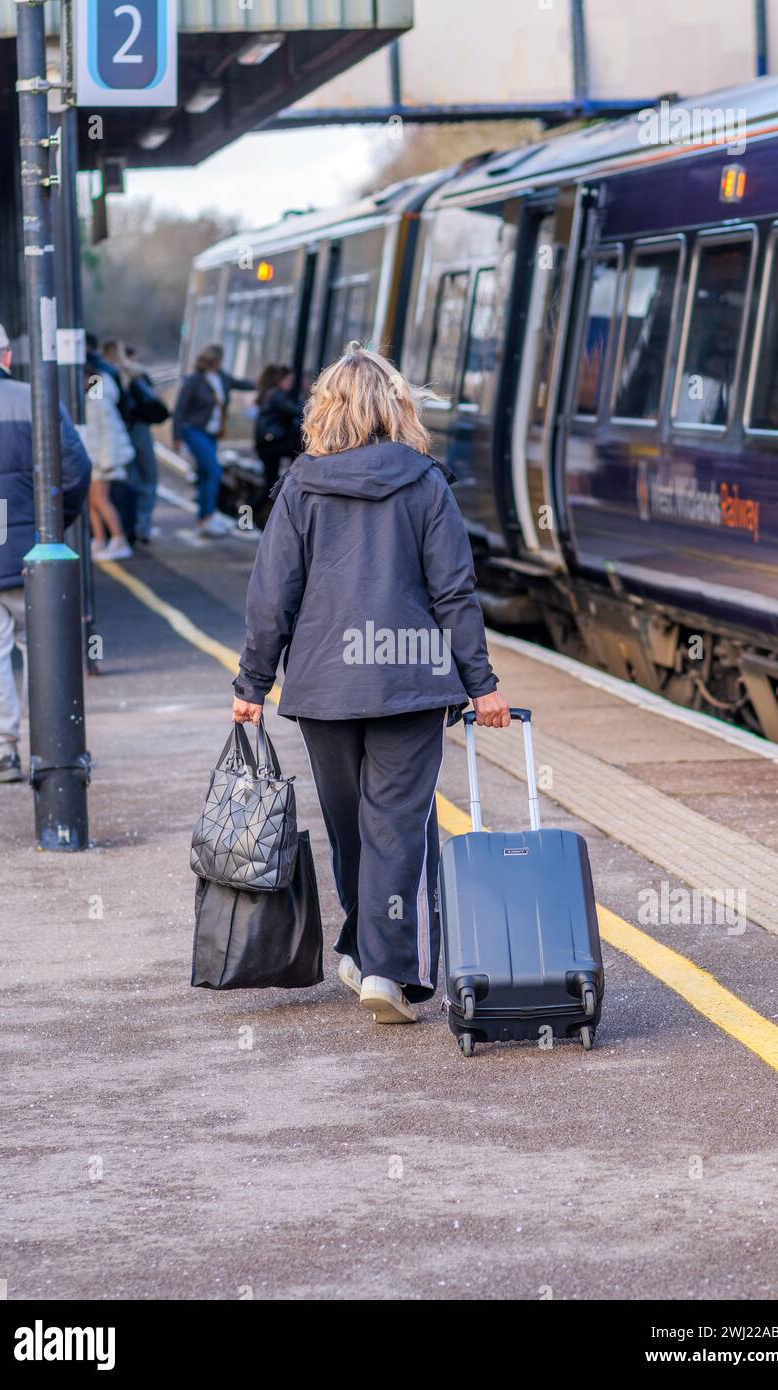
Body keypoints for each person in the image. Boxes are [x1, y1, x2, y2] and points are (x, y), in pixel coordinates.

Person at [232, 344, 510, 1025]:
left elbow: (274, 595)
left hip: (325, 687)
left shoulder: (300, 487)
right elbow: (454, 592)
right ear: (397, 407)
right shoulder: (425, 483)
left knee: (350, 827)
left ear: (326, 410)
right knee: (397, 826)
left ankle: (365, 952)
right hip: (408, 682)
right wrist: (483, 685)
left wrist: (252, 681)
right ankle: (386, 966)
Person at [0, 318, 91, 782]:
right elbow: (76, 470)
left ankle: (4, 752)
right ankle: (50, 749)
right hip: (32, 556)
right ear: (6, 358)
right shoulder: (31, 400)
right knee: (43, 650)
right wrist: (53, 530)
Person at [172, 344, 254, 538]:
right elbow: (180, 410)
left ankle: (203, 519)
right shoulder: (194, 381)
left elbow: (242, 384)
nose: (221, 363)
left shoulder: (221, 378)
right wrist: (176, 437)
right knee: (214, 471)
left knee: (204, 474)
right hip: (193, 430)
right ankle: (207, 518)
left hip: (211, 434)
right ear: (213, 360)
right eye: (219, 359)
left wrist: (266, 383)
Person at [106, 341, 168, 544]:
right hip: (140, 429)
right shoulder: (137, 374)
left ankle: (127, 527)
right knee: (149, 477)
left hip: (118, 431)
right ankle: (144, 526)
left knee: (128, 479)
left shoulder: (102, 374)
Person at [84, 341, 134, 562]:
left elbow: (110, 434)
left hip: (103, 461)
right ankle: (100, 540)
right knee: (94, 501)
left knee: (101, 500)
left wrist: (107, 461)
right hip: (96, 460)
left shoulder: (99, 403)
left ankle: (118, 539)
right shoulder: (94, 400)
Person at [255, 364, 304, 494]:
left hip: (267, 445)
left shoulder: (272, 393)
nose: (291, 385)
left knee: (269, 488)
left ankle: (247, 512)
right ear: (280, 380)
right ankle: (297, 476)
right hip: (270, 445)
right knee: (298, 444)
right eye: (289, 381)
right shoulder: (277, 395)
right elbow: (295, 411)